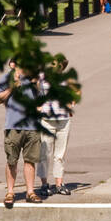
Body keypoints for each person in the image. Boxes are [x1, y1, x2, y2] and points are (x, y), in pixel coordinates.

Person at [0, 60, 43, 206]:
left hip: (32, 126)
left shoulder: (34, 77)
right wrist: (12, 88)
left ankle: (30, 192)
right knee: (11, 161)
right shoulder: (7, 78)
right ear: (13, 65)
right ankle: (10, 192)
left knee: (30, 161)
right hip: (13, 126)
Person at [37, 55, 75, 197]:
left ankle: (59, 183)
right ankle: (44, 184)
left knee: (60, 155)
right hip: (47, 120)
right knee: (44, 154)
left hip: (63, 120)